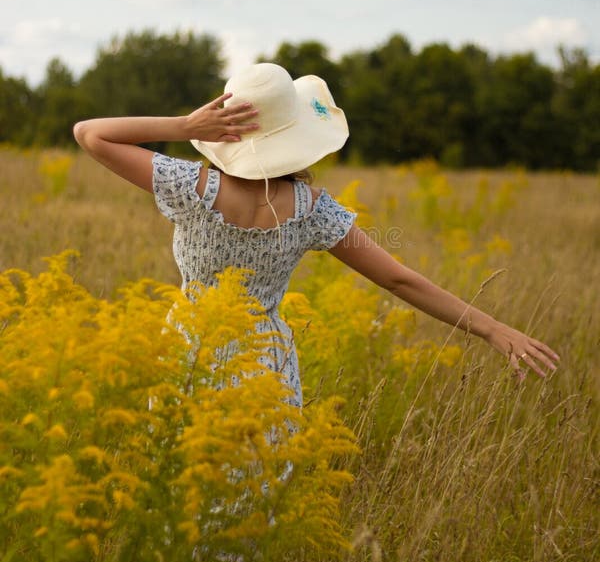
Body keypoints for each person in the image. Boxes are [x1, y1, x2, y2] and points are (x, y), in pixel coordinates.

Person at [73, 61, 559, 392]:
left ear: (224, 131)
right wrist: (492, 329)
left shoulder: (190, 186)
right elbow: (398, 278)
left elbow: (89, 133)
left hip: (188, 353)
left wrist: (184, 126)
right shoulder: (313, 210)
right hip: (267, 365)